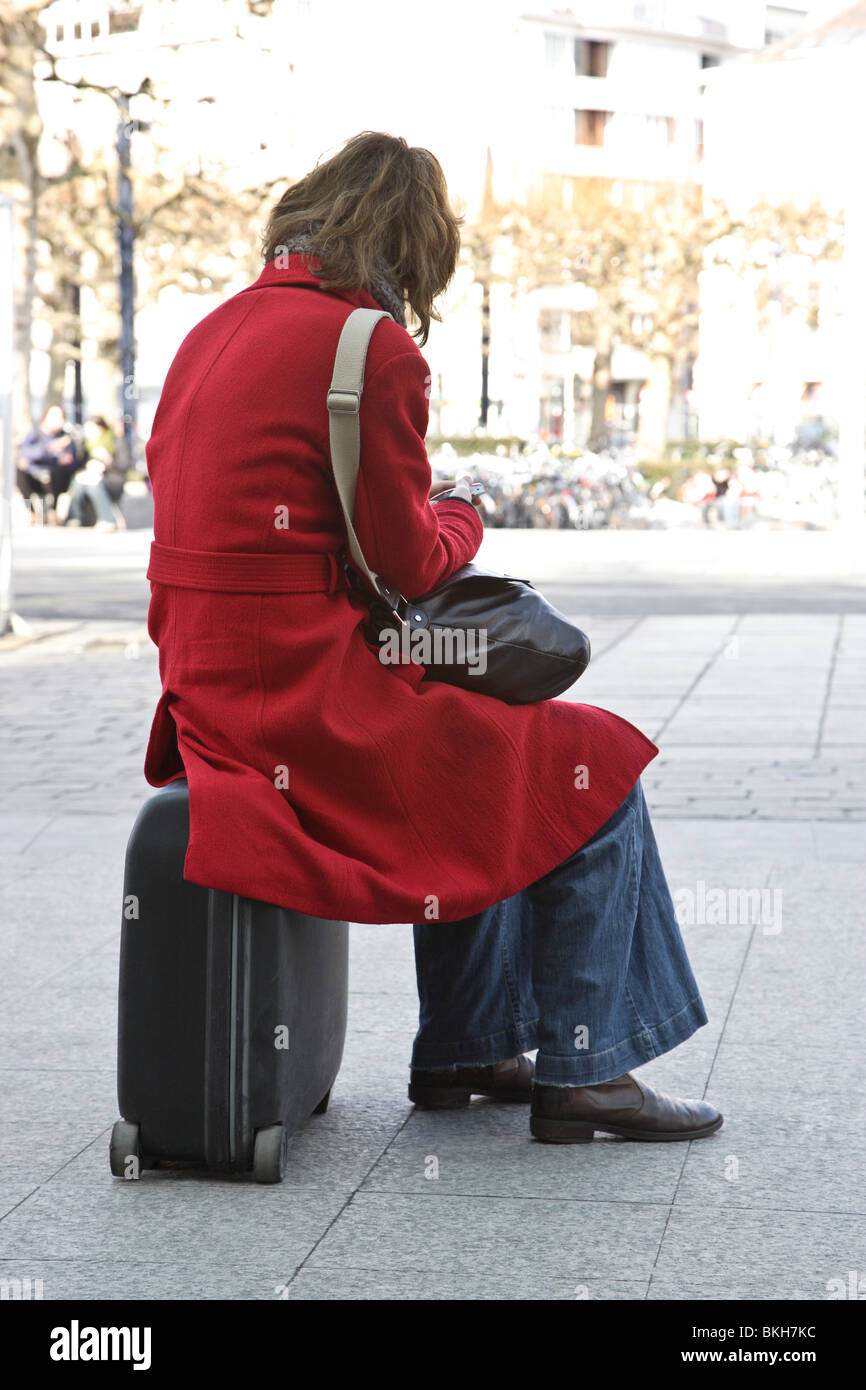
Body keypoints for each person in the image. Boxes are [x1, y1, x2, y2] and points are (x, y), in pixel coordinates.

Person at [143, 132, 721, 1145]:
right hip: (309, 704)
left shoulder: (210, 332)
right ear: (410, 249)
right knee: (593, 766)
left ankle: (464, 1049)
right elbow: (409, 562)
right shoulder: (370, 346)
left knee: (485, 742)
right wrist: (460, 516)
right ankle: (586, 1067)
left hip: (211, 689)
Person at [17, 404, 84, 523]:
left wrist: (66, 460)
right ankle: (31, 510)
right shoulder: (35, 434)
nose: (59, 420)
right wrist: (48, 449)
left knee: (57, 471)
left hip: (56, 480)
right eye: (55, 416)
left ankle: (53, 510)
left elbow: (73, 461)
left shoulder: (66, 437)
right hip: (35, 474)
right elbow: (25, 453)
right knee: (19, 471)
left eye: (61, 417)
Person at [64, 415, 123, 531]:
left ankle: (108, 520)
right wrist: (89, 464)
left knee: (93, 485)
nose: (89, 433)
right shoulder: (85, 444)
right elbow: (79, 464)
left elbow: (124, 465)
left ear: (101, 428)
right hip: (90, 477)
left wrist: (108, 461)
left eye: (92, 429)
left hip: (112, 479)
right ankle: (75, 517)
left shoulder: (115, 441)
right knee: (78, 483)